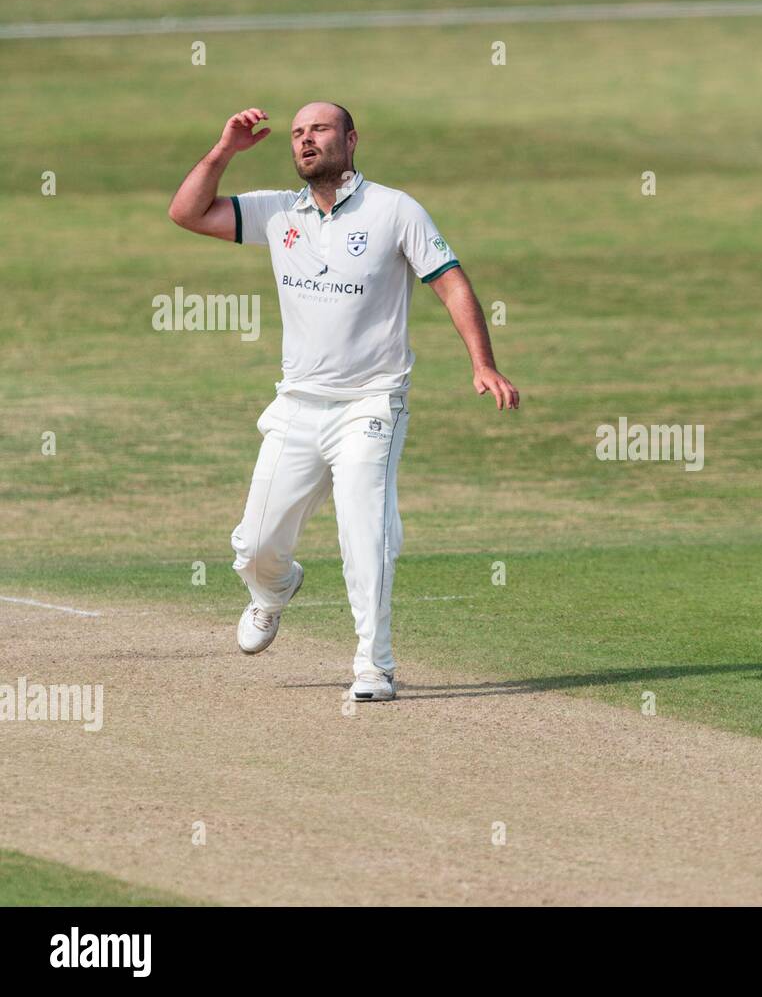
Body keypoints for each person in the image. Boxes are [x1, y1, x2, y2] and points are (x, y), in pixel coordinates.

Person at [167, 103, 519, 702]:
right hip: (298, 404)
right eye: (299, 134)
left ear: (350, 140)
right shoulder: (279, 211)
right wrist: (225, 148)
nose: (306, 141)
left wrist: (481, 361)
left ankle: (374, 666)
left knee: (367, 534)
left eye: (320, 130)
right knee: (254, 548)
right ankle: (275, 591)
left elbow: (450, 279)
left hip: (372, 403)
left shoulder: (394, 210)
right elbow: (187, 212)